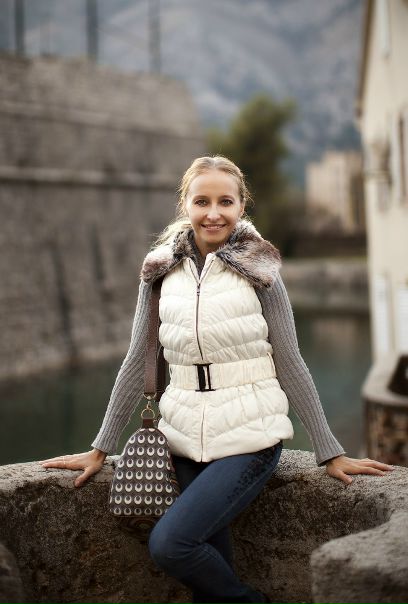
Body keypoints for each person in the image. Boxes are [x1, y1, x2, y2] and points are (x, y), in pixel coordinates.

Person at [40, 155, 394, 604]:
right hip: (182, 438)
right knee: (209, 573)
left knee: (172, 544)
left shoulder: (260, 269)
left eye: (225, 201)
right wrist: (100, 448)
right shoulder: (158, 272)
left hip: (250, 436)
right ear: (185, 205)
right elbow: (137, 363)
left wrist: (329, 450)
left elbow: (290, 361)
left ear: (241, 205)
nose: (213, 213)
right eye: (202, 201)